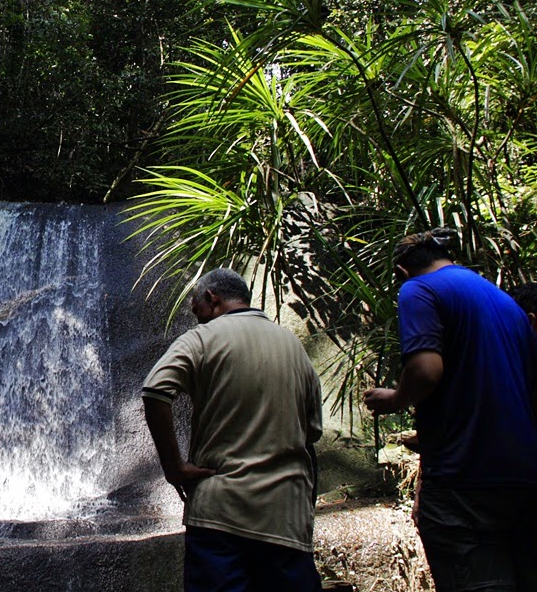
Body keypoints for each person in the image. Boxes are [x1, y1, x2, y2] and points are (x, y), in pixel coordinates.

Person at [364, 228, 537, 592]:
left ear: (401, 271)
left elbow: (426, 371)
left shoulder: (418, 289)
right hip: (523, 477)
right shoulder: (504, 301)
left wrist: (394, 398)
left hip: (465, 477)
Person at [142, 268, 323, 592]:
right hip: (286, 516)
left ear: (212, 299)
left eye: (198, 311)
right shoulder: (293, 346)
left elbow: (155, 391)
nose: (198, 320)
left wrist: (174, 468)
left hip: (219, 513)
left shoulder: (201, 339)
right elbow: (311, 432)